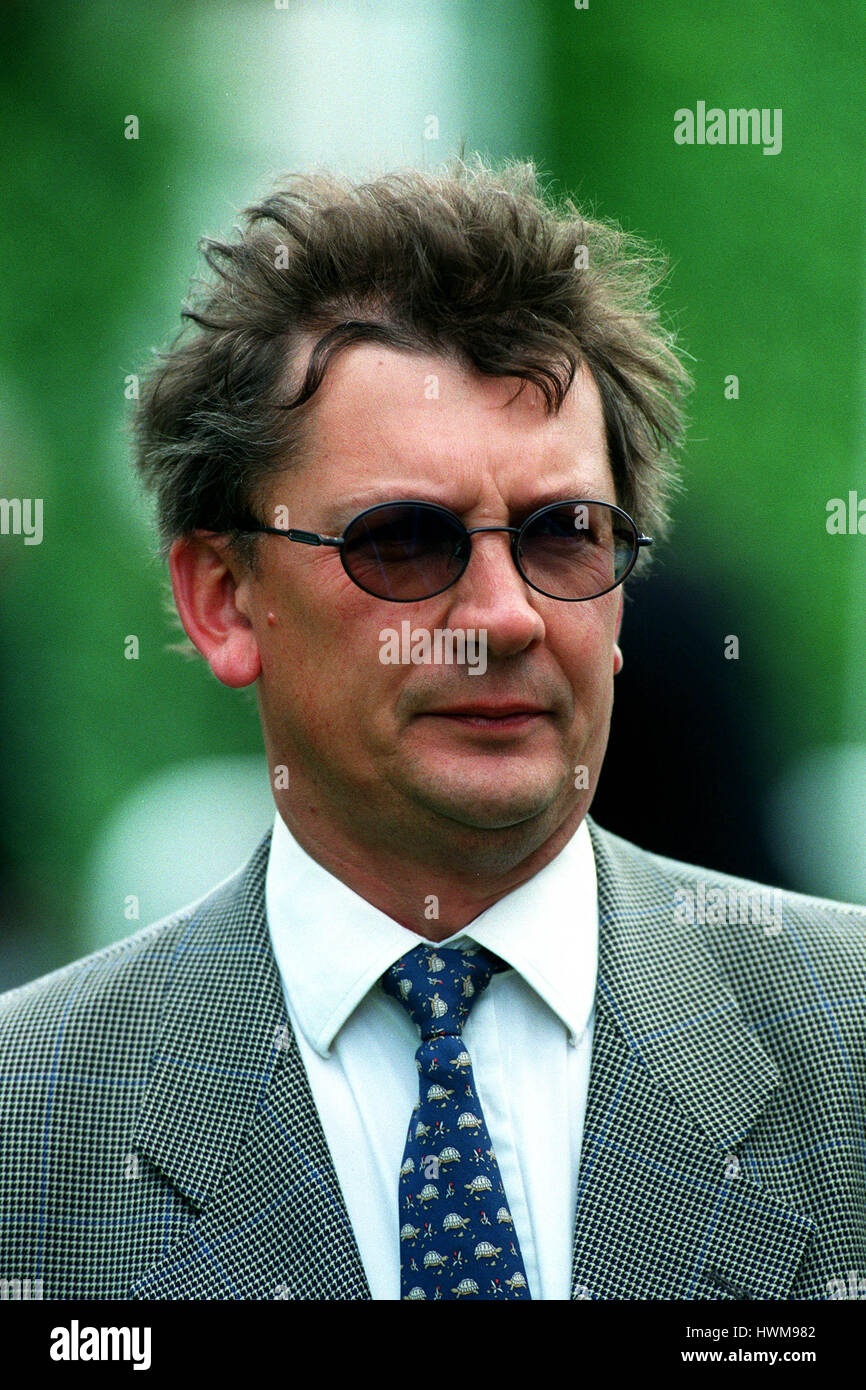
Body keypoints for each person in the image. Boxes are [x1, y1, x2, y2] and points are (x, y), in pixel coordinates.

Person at [1, 157, 864, 1302]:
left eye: (563, 534)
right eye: (405, 542)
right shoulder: (34, 1119)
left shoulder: (839, 1048)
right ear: (222, 598)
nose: (505, 616)